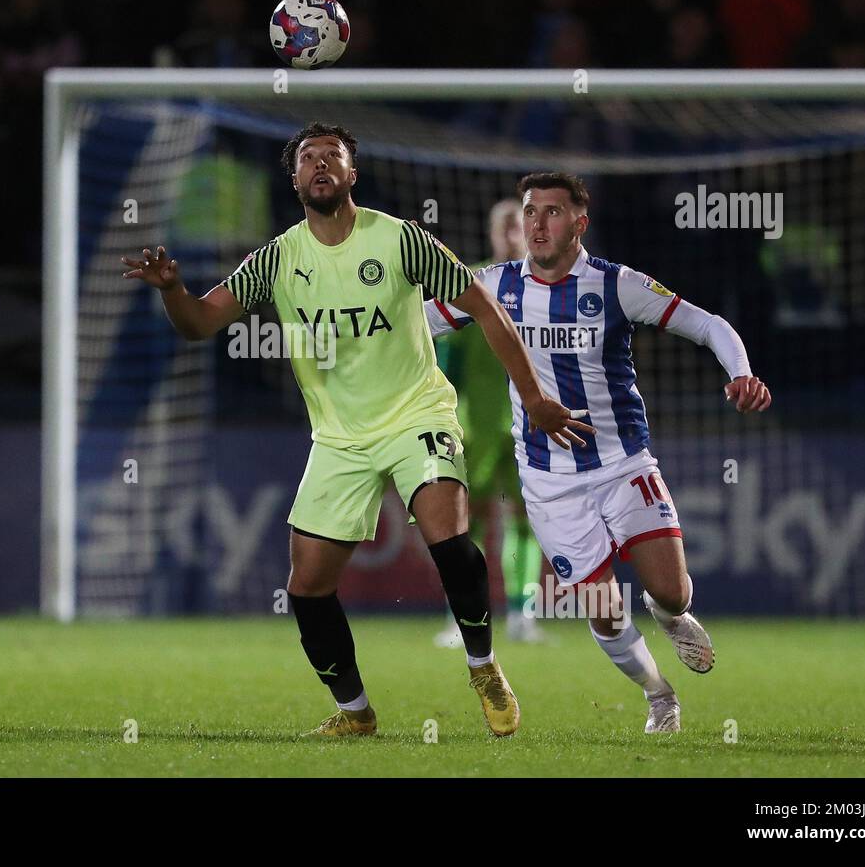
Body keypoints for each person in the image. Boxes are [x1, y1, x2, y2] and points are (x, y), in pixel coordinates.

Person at [123, 123, 592, 738]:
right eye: (308, 159)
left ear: (352, 174)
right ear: (294, 179)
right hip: (339, 438)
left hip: (416, 414)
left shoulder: (399, 240)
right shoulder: (278, 257)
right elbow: (200, 323)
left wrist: (533, 397)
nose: (320, 166)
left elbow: (485, 306)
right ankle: (355, 711)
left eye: (332, 158)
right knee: (307, 587)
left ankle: (482, 665)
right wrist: (173, 291)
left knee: (447, 535)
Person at [426, 172, 770, 733]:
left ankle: (669, 612)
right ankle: (660, 696)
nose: (537, 224)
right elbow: (419, 322)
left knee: (672, 590)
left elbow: (708, 325)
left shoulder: (617, 285)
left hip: (623, 464)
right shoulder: (493, 286)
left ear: (579, 223)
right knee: (606, 613)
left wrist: (742, 373)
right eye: (530, 211)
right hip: (548, 479)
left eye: (552, 212)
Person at [434, 198, 545, 649]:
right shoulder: (471, 284)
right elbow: (444, 359)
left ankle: (523, 616)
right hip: (474, 424)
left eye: (517, 227)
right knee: (465, 521)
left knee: (527, 519)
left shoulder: (547, 287)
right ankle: (461, 619)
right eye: (503, 228)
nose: (511, 236)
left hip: (530, 424)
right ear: (492, 234)